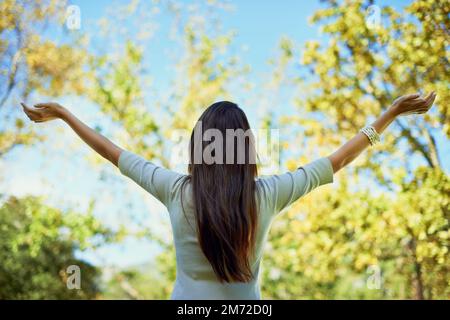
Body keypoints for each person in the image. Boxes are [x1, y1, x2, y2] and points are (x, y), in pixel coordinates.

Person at [20, 91, 436, 299]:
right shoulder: (267, 195)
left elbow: (111, 152)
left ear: (198, 147)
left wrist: (64, 115)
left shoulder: (174, 190)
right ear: (248, 148)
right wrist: (391, 114)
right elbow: (339, 160)